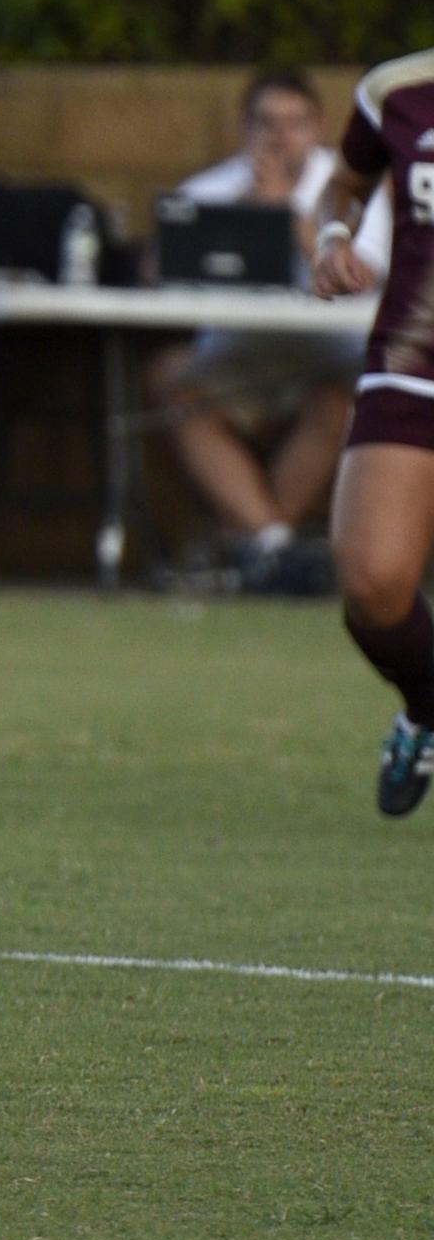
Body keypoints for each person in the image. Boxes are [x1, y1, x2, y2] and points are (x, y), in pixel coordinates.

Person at [144, 69, 390, 594]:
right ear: (243, 127)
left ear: (320, 127)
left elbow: (362, 284)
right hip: (236, 363)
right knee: (170, 380)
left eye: (295, 124)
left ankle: (252, 551)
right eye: (267, 123)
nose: (280, 137)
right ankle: (276, 548)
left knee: (346, 396)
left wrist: (290, 217)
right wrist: (233, 222)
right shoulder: (212, 188)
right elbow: (156, 274)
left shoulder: (348, 192)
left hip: (326, 360)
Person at [311, 48, 434, 816]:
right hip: (413, 361)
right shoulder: (400, 89)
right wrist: (331, 239)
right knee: (373, 582)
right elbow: (343, 186)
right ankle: (426, 705)